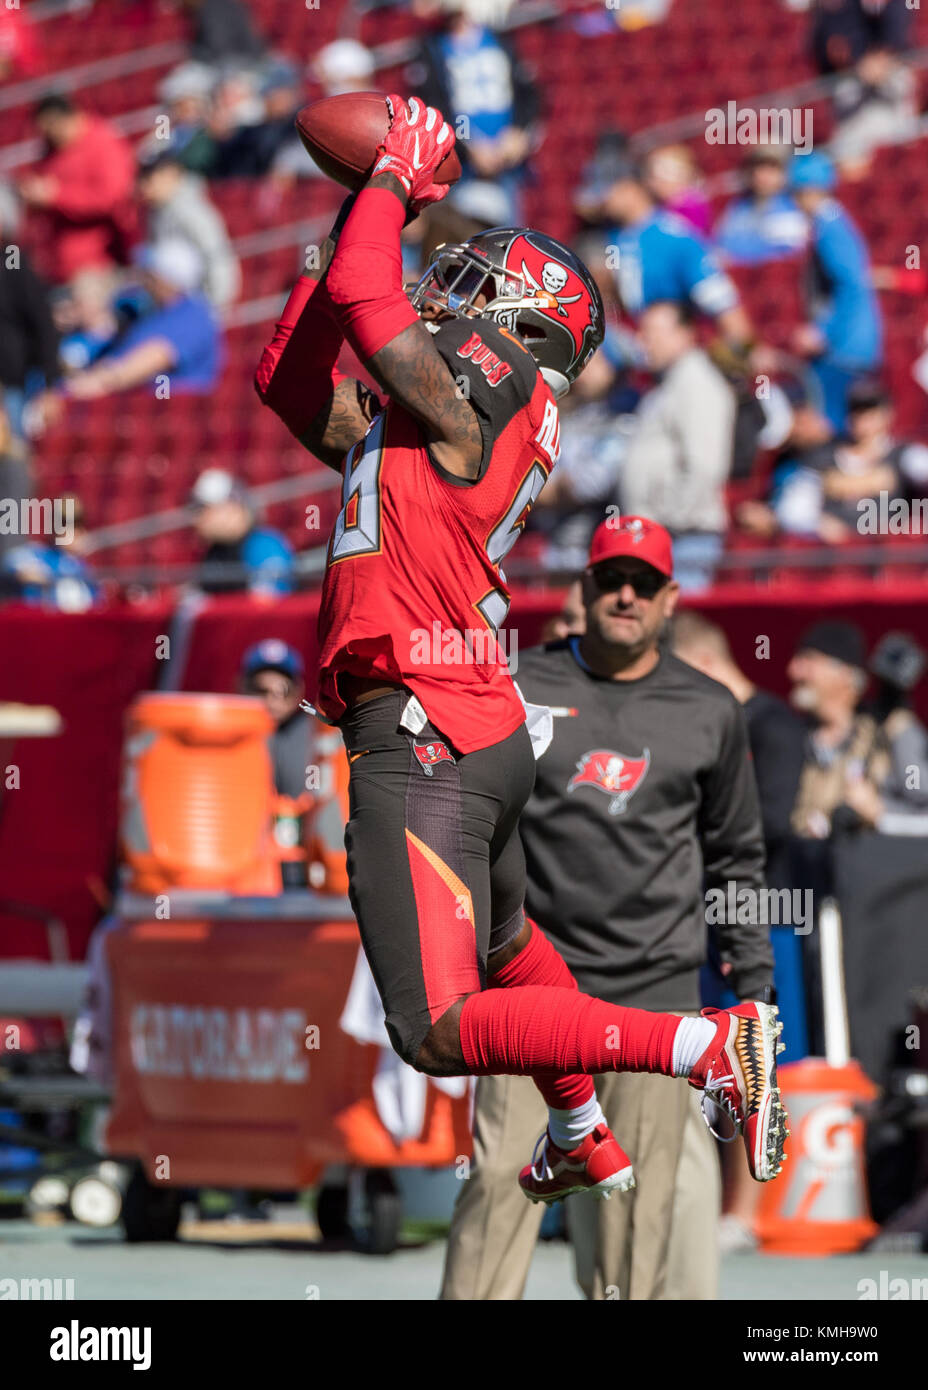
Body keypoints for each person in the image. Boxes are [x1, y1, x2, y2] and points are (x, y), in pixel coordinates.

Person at [255, 91, 788, 1213]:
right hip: (472, 720)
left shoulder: (469, 404)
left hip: (422, 721)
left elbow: (364, 293)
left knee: (437, 1026)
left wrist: (394, 183)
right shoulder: (436, 417)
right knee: (507, 957)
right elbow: (293, 377)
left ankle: (700, 1042)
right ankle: (581, 1125)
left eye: (476, 284)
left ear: (523, 325)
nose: (449, 289)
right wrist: (361, 199)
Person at [441, 517, 774, 1301]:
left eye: (644, 583)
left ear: (669, 599)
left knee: (632, 1233)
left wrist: (753, 992)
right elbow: (466, 828)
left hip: (654, 1002)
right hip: (531, 995)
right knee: (498, 1187)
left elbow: (736, 859)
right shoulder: (519, 687)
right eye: (610, 579)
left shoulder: (710, 709)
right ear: (582, 591)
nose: (626, 594)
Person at [590, 150, 754, 355]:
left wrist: (740, 355)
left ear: (631, 188)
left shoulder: (675, 237)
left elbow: (725, 306)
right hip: (636, 351)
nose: (602, 199)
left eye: (609, 189)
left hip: (676, 352)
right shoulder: (613, 238)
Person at [621, 300, 735, 591]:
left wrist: (667, 521)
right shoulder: (670, 382)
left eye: (652, 334)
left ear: (685, 334)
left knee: (677, 627)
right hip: (665, 537)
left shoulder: (698, 383)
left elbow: (705, 466)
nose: (642, 342)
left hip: (683, 539)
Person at [404, 0, 540, 225]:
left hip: (506, 160)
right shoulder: (432, 47)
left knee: (510, 236)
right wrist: (469, 147)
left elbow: (528, 94)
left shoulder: (499, 39)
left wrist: (518, 133)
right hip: (463, 166)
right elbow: (434, 106)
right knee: (463, 235)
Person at [54, 239, 222, 400]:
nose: (144, 278)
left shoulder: (191, 315)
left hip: (165, 410)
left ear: (165, 280)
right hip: (129, 402)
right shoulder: (147, 309)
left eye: (150, 274)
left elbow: (148, 361)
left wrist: (92, 382)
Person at [788, 150, 882, 432]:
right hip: (849, 344)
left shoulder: (830, 227)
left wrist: (823, 331)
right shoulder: (830, 225)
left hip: (844, 348)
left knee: (829, 426)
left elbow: (852, 284)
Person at [18, 95, 137, 285]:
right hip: (56, 265)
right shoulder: (51, 151)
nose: (48, 135)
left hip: (96, 263)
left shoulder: (103, 142)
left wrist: (56, 196)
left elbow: (113, 197)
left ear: (70, 117)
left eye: (51, 128)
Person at [240, 640, 312, 889]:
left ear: (298, 691)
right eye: (259, 690)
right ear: (240, 688)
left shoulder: (316, 736)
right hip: (243, 872)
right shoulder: (227, 739)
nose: (270, 701)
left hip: (302, 870)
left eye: (281, 690)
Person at [137, 150, 241, 308]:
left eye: (149, 178)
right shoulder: (156, 212)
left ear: (170, 175)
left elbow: (216, 255)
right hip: (174, 301)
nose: (144, 186)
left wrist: (215, 304)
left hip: (199, 301)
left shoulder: (191, 210)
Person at [0, 184, 61, 438]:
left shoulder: (12, 261)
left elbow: (43, 323)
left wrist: (49, 384)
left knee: (11, 456)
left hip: (11, 385)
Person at [190, 467, 293, 596]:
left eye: (205, 509)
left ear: (233, 508)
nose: (198, 518)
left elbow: (269, 602)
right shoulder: (216, 552)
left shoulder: (263, 545)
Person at [0, 492, 98, 610]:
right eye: (62, 523)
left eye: (74, 525)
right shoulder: (36, 555)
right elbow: (10, 563)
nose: (66, 530)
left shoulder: (82, 568)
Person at [715, 145, 808, 267]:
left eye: (771, 169)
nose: (762, 176)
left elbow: (781, 260)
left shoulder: (791, 211)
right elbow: (722, 247)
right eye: (758, 168)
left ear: (784, 174)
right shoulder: (738, 206)